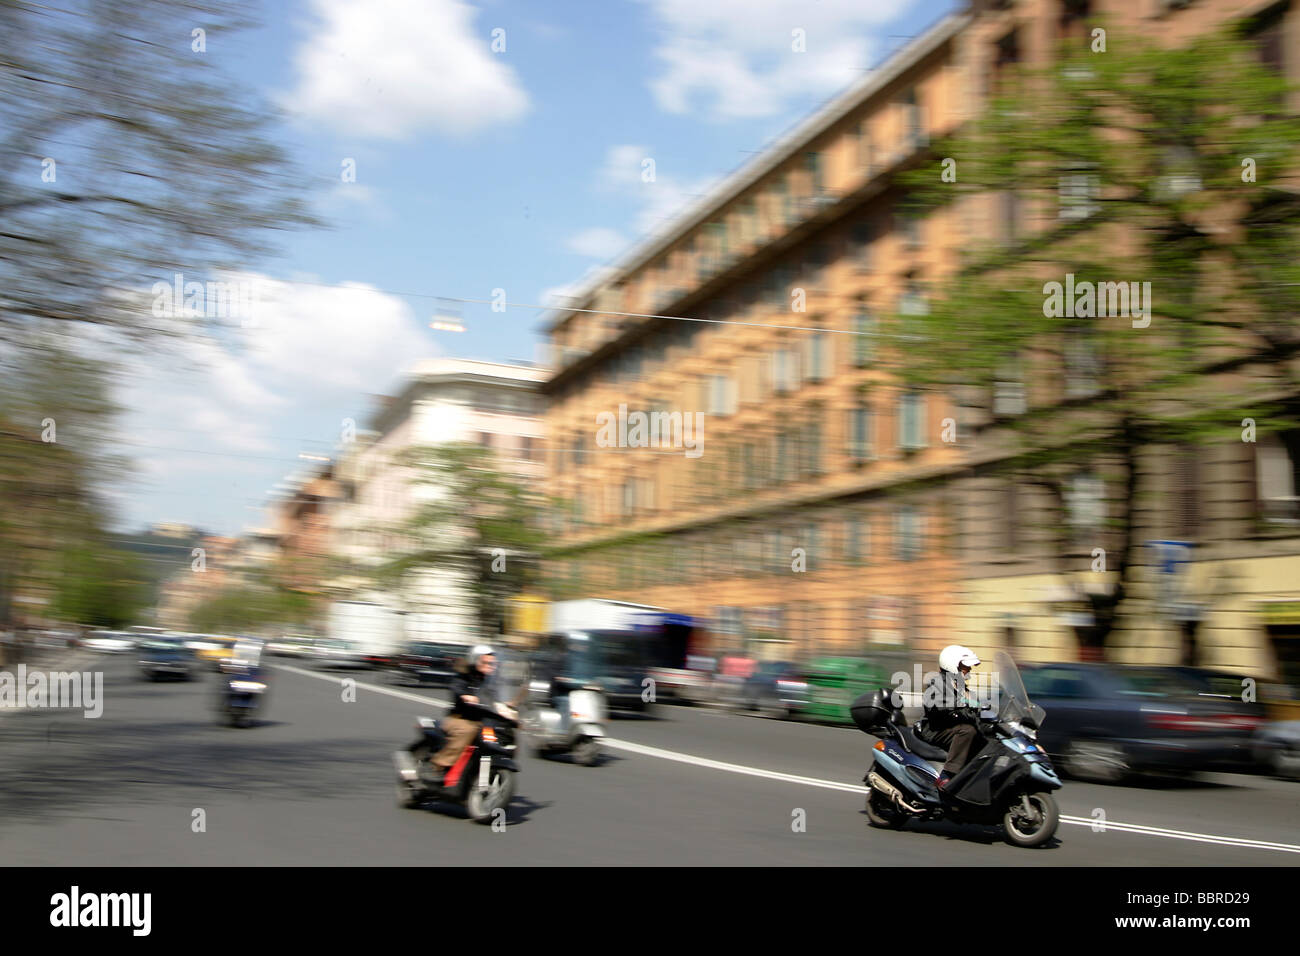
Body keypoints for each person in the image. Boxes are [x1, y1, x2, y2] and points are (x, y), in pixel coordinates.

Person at [430, 644, 516, 779]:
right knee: (467, 731)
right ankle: (440, 766)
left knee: (504, 732)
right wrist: (465, 694)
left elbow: (497, 697)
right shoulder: (465, 675)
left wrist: (508, 707)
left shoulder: (491, 681)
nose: (490, 666)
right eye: (485, 662)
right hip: (460, 718)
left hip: (482, 721)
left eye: (492, 663)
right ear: (475, 660)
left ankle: (486, 769)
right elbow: (456, 686)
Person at [920, 644, 984, 789]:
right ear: (952, 665)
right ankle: (947, 776)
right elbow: (935, 705)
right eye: (964, 666)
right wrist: (961, 705)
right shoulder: (937, 683)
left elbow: (974, 704)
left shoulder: (959, 685)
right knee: (967, 731)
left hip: (950, 728)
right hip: (936, 729)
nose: (969, 670)